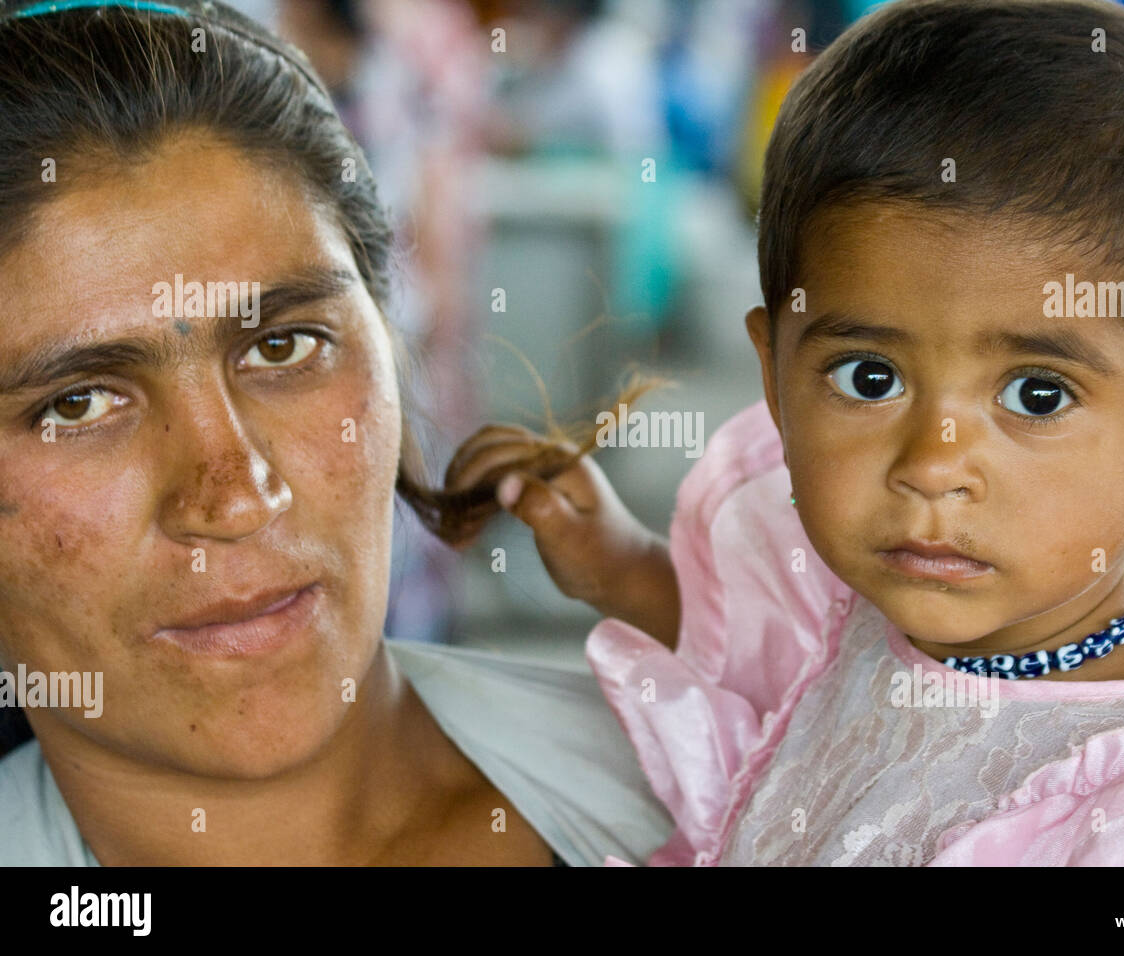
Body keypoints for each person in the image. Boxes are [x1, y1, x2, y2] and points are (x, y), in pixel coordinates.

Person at [449, 0, 1124, 865]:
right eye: (871, 378)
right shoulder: (873, 606)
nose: (932, 466)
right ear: (777, 376)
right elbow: (779, 670)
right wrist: (619, 566)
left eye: (1038, 395)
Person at [0, 0, 671, 866]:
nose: (237, 496)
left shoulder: (735, 791)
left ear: (388, 340)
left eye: (284, 346)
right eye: (78, 404)